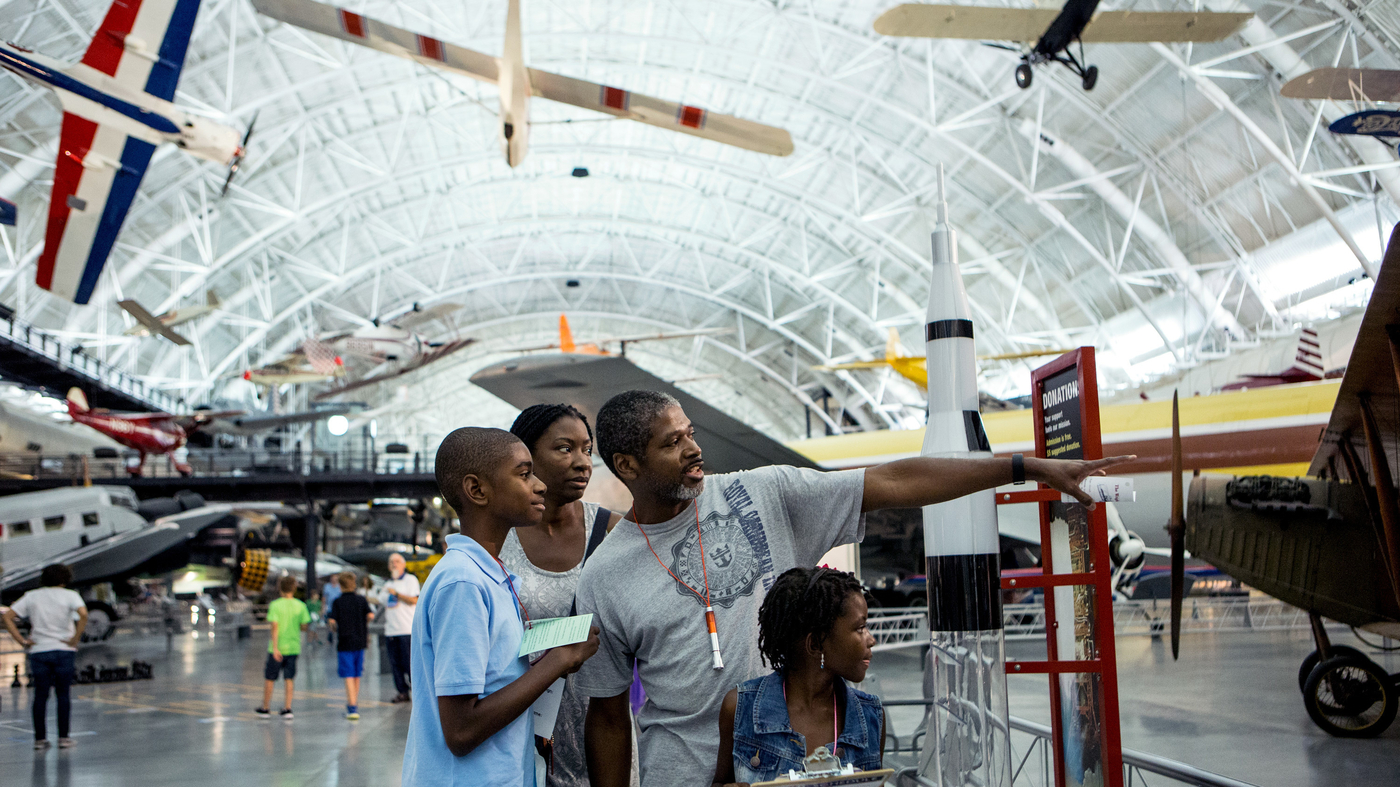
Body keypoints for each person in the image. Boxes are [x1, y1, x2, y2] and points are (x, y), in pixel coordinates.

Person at [575, 390, 1132, 787]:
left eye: (691, 433)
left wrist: (1023, 467)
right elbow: (605, 714)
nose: (695, 449)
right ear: (626, 464)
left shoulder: (765, 493)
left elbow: (894, 481)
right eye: (673, 443)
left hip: (802, 769)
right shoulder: (605, 575)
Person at [402, 427, 601, 787]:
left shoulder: (491, 573)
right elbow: (461, 732)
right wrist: (557, 663)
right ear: (477, 490)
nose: (539, 485)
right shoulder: (463, 582)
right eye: (524, 475)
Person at [500, 404, 626, 787]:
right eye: (564, 448)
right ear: (525, 455)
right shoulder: (498, 539)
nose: (583, 462)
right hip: (518, 727)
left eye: (587, 450)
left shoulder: (612, 532)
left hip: (603, 725)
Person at [713, 567, 881, 785]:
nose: (871, 640)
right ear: (815, 644)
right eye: (860, 628)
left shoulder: (870, 717)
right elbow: (719, 782)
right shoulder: (739, 707)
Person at [1, 564, 88, 750]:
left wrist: (22, 641)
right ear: (65, 578)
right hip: (64, 650)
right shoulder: (71, 595)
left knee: (40, 696)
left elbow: (8, 616)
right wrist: (75, 638)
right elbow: (83, 615)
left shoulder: (32, 596)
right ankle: (64, 738)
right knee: (63, 694)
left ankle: (40, 740)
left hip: (39, 651)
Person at [257, 574, 310, 720]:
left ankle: (265, 707)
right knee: (289, 678)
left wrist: (275, 648)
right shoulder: (301, 606)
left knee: (270, 678)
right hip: (293, 647)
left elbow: (274, 627)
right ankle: (287, 708)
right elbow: (304, 626)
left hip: (277, 648)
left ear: (280, 588)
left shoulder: (275, 605)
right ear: (294, 588)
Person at [328, 571, 374, 720]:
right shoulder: (361, 600)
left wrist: (335, 628)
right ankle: (354, 702)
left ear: (340, 585)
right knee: (357, 673)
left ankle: (352, 706)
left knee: (348, 674)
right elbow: (370, 615)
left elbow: (332, 621)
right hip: (360, 641)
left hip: (345, 641)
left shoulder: (337, 601)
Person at [381, 553, 421, 704]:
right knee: (395, 664)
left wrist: (397, 594)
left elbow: (414, 600)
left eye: (397, 561)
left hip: (406, 629)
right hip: (391, 630)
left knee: (409, 663)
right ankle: (402, 692)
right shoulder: (387, 584)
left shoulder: (410, 580)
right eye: (391, 561)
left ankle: (417, 691)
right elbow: (381, 601)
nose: (394, 564)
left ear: (403, 564)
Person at [322, 576, 343, 645]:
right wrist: (323, 607)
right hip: (330, 608)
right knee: (330, 622)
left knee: (338, 623)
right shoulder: (327, 586)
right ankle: (330, 637)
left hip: (339, 608)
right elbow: (324, 597)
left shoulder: (340, 587)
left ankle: (339, 636)